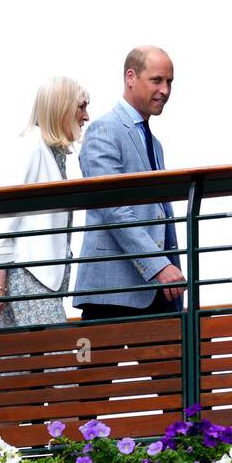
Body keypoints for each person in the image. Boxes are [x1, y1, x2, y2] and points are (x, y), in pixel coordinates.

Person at [73, 45, 184, 320]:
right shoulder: (105, 130)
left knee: (173, 363)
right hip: (112, 291)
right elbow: (113, 207)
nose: (165, 91)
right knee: (95, 363)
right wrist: (159, 265)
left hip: (159, 290)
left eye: (169, 82)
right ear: (131, 77)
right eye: (157, 80)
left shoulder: (154, 143)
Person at [0, 76, 89, 328]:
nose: (85, 116)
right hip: (25, 274)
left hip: (36, 276)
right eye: (81, 107)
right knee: (56, 359)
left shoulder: (51, 151)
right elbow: (1, 211)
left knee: (15, 361)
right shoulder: (30, 146)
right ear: (61, 108)